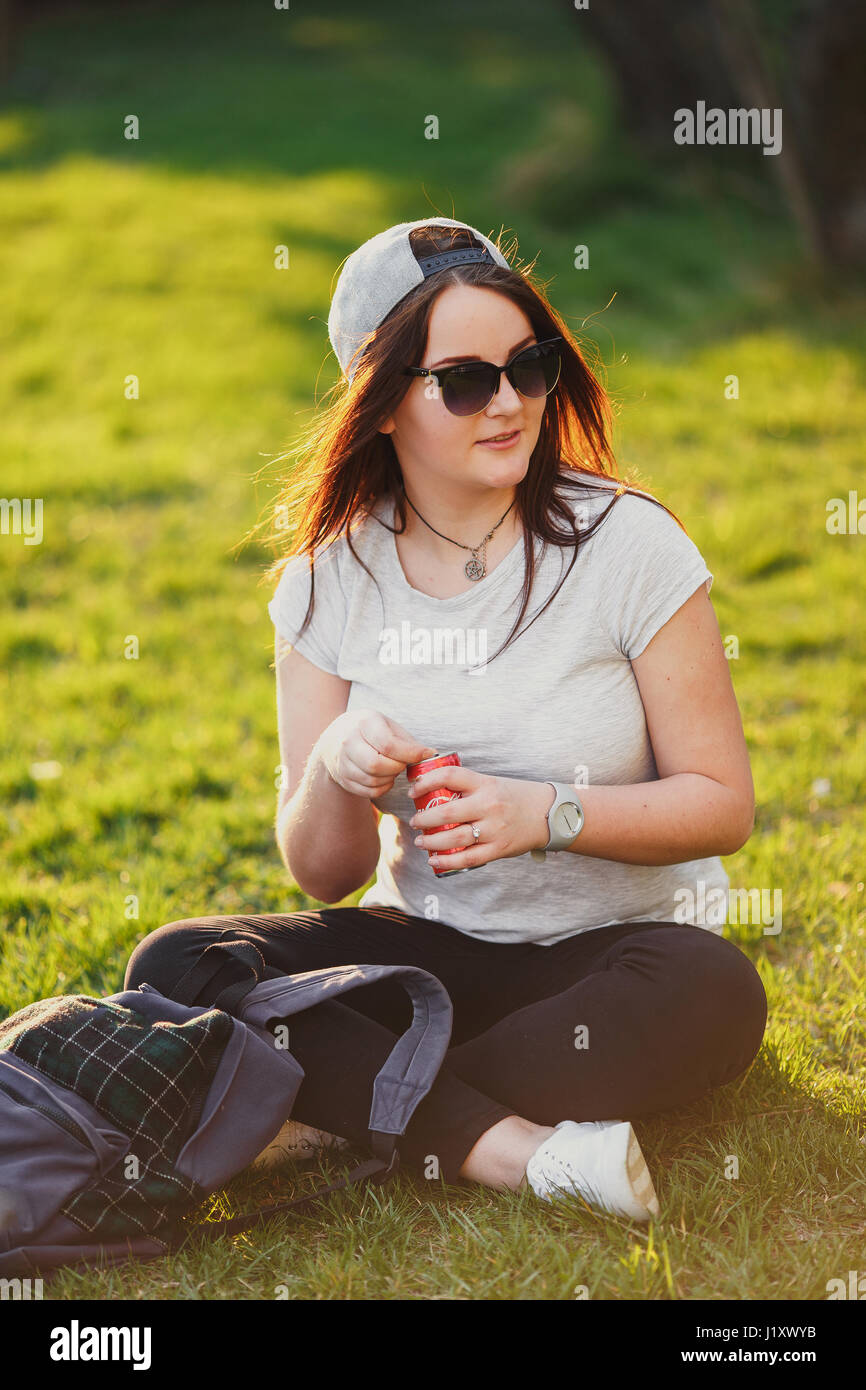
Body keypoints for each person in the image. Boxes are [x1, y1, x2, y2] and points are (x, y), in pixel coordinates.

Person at [124, 218, 767, 1222]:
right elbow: (323, 873)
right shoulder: (326, 583)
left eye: (528, 365)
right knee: (176, 961)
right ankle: (516, 1151)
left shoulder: (627, 545)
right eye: (463, 381)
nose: (507, 401)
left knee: (715, 991)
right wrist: (335, 768)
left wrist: (542, 812)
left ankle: (326, 1102)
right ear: (382, 407)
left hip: (620, 957)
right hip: (439, 955)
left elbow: (720, 805)